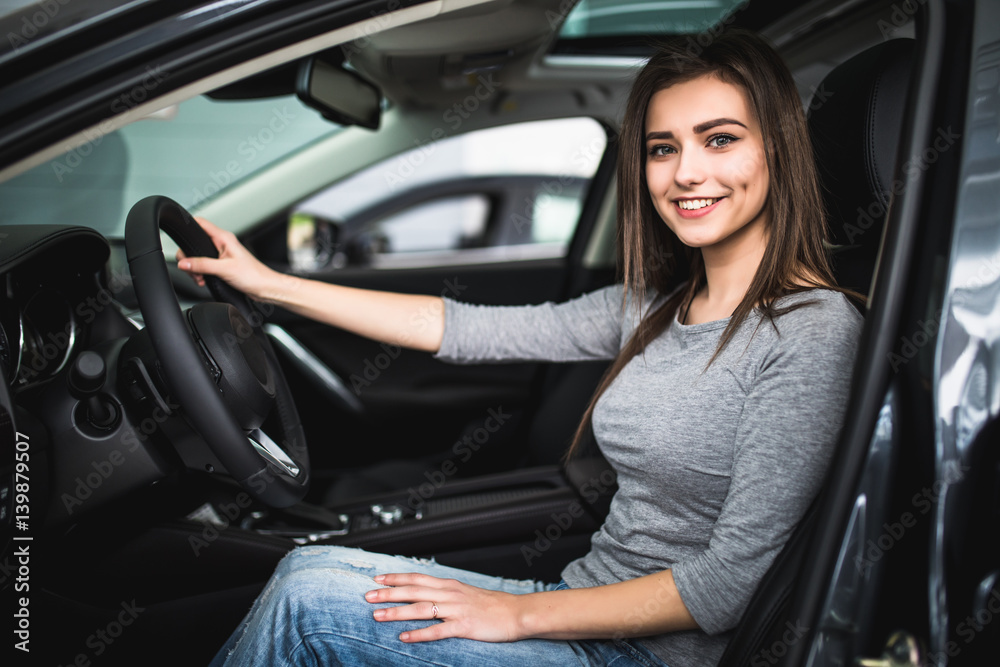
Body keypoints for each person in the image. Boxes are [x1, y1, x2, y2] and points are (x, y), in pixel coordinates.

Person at [180, 29, 863, 667]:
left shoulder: (811, 331)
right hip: (579, 607)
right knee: (303, 570)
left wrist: (520, 612)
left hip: (645, 655)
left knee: (308, 606)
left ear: (776, 147)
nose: (686, 173)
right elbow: (466, 328)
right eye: (663, 147)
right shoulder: (656, 307)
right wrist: (271, 285)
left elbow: (725, 586)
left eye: (719, 140)